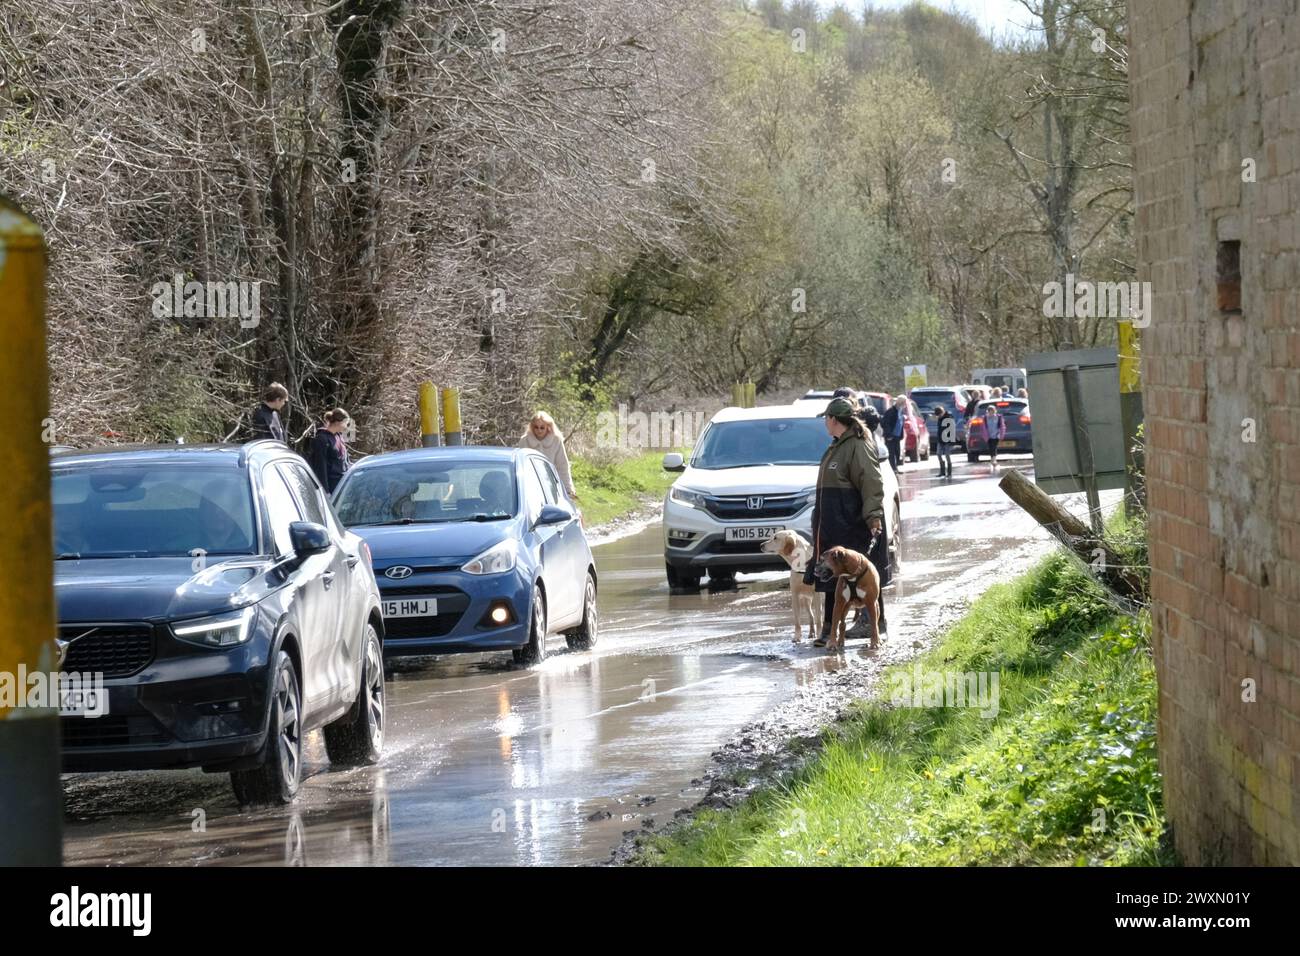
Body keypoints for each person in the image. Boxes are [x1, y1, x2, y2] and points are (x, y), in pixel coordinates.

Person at [805, 397, 890, 647]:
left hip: (850, 523)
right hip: (831, 524)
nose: (824, 423)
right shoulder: (837, 445)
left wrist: (873, 517)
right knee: (830, 575)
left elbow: (872, 483)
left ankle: (874, 622)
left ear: (833, 419)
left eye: (826, 418)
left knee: (864, 574)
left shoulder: (858, 445)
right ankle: (830, 629)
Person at [519, 411, 578, 501]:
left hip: (551, 486)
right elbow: (520, 466)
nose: (539, 430)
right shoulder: (524, 441)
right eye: (536, 427)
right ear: (532, 427)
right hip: (529, 486)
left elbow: (562, 466)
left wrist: (568, 489)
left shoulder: (556, 441)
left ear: (548, 427)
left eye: (542, 427)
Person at [308, 408, 351, 493]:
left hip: (341, 483)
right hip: (331, 485)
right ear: (339, 422)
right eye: (346, 423)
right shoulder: (321, 439)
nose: (346, 427)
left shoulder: (338, 436)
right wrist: (325, 491)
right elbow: (320, 466)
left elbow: (344, 460)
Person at [880, 395, 906, 473]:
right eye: (904, 402)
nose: (905, 404)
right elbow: (885, 423)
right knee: (891, 453)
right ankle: (893, 469)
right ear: (900, 402)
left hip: (897, 436)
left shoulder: (900, 411)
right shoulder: (891, 411)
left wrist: (901, 435)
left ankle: (896, 468)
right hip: (890, 436)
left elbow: (900, 423)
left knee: (897, 452)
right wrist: (889, 435)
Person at [981, 400, 1006, 468]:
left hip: (996, 435)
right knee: (990, 448)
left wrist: (1001, 435)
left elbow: (1002, 426)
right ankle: (992, 459)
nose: (991, 413)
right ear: (988, 411)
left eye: (992, 411)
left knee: (994, 447)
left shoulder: (999, 417)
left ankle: (994, 460)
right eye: (990, 411)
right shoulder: (985, 418)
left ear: (995, 411)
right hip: (988, 436)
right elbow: (983, 427)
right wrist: (985, 436)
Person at [933, 404, 956, 478]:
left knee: (947, 455)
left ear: (942, 412)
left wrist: (951, 441)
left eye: (939, 415)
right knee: (938, 454)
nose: (939, 416)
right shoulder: (939, 418)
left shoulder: (949, 417)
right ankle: (942, 471)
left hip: (947, 440)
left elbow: (952, 430)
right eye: (938, 416)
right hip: (940, 439)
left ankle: (949, 472)